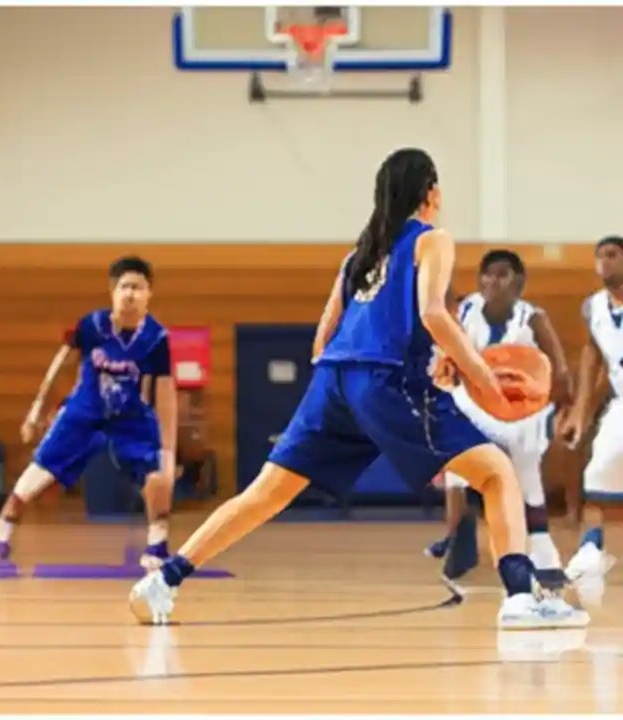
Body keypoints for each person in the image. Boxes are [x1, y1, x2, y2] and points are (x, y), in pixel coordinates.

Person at [128, 147, 587, 630]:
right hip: (384, 380)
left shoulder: (359, 254)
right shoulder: (432, 240)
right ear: (431, 192)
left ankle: (164, 581)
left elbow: (322, 338)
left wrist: (414, 365)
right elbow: (432, 313)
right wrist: (481, 376)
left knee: (264, 494)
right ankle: (519, 597)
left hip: (332, 382)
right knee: (496, 473)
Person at [0, 256, 178, 570]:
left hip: (129, 415)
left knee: (156, 472)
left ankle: (157, 545)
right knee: (41, 468)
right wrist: (37, 407)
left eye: (138, 288)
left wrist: (168, 449)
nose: (130, 294)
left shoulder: (156, 338)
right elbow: (62, 361)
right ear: (112, 291)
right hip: (85, 411)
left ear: (149, 295)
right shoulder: (91, 325)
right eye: (124, 286)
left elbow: (166, 390)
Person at [426, 250, 572, 578]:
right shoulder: (464, 310)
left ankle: (542, 549)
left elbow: (559, 370)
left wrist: (565, 409)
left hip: (521, 407)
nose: (494, 281)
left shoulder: (533, 318)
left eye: (503, 274)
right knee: (457, 452)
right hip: (475, 400)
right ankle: (457, 535)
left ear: (519, 282)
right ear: (480, 280)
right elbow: (445, 358)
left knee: (526, 467)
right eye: (488, 274)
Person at [558, 235, 623, 588]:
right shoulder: (593, 307)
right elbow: (592, 356)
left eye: (612, 255)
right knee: (596, 474)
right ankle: (590, 551)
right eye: (599, 256)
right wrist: (580, 413)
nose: (604, 262)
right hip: (620, 402)